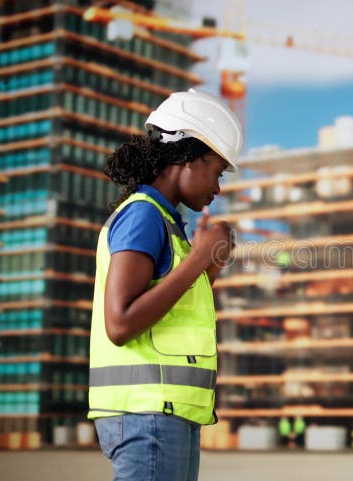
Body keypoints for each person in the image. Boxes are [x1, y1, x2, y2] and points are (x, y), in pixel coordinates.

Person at [88, 89, 242, 481]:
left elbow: (171, 312)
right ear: (190, 158)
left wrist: (209, 265)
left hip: (164, 413)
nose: (218, 188)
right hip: (147, 414)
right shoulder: (143, 215)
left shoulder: (165, 221)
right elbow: (120, 323)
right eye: (218, 171)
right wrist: (197, 259)